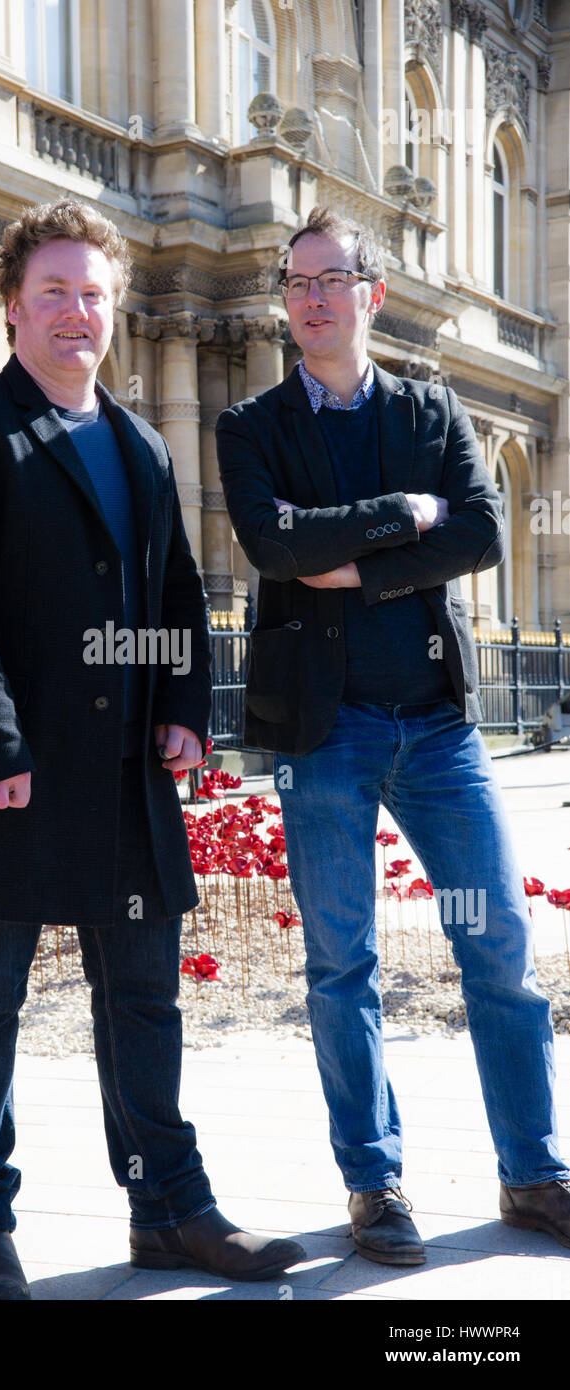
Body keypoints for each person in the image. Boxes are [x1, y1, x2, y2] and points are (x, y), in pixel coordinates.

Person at [0, 197, 305, 1299]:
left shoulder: (139, 444)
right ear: (14, 306)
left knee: (144, 1000)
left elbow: (176, 589)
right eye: (55, 293)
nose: (77, 313)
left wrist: (183, 698)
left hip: (126, 780)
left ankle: (168, 1209)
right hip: (12, 777)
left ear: (114, 309)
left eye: (93, 294)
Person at [216, 205, 570, 1266]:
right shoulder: (251, 427)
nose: (311, 299)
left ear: (373, 295)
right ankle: (374, 1185)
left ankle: (535, 1173)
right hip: (322, 730)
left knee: (498, 947)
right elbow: (273, 545)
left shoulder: (430, 407)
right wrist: (398, 515)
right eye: (295, 283)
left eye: (330, 280)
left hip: (435, 725)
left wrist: (361, 564)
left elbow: (478, 531)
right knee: (341, 964)